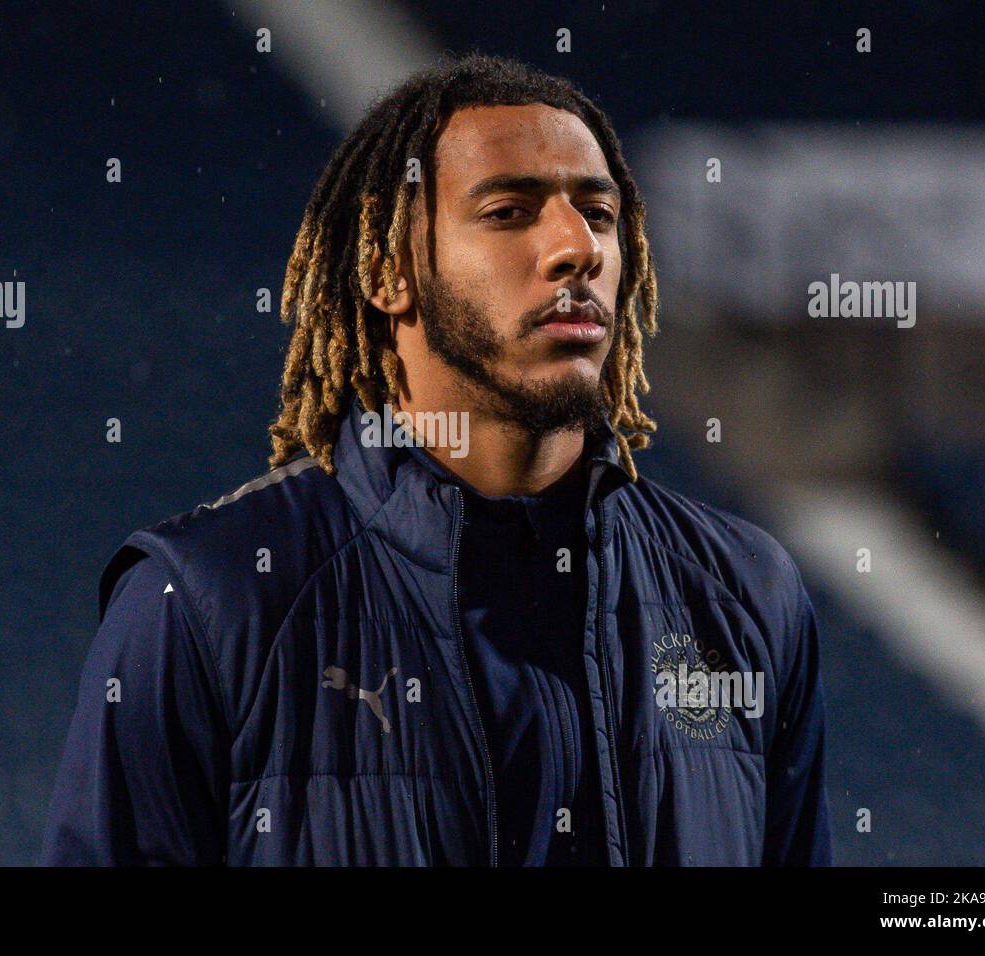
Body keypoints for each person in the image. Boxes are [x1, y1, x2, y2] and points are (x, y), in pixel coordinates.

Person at [42, 52, 832, 866]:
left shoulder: (745, 593)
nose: (576, 248)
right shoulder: (211, 601)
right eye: (509, 211)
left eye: (597, 213)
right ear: (386, 267)